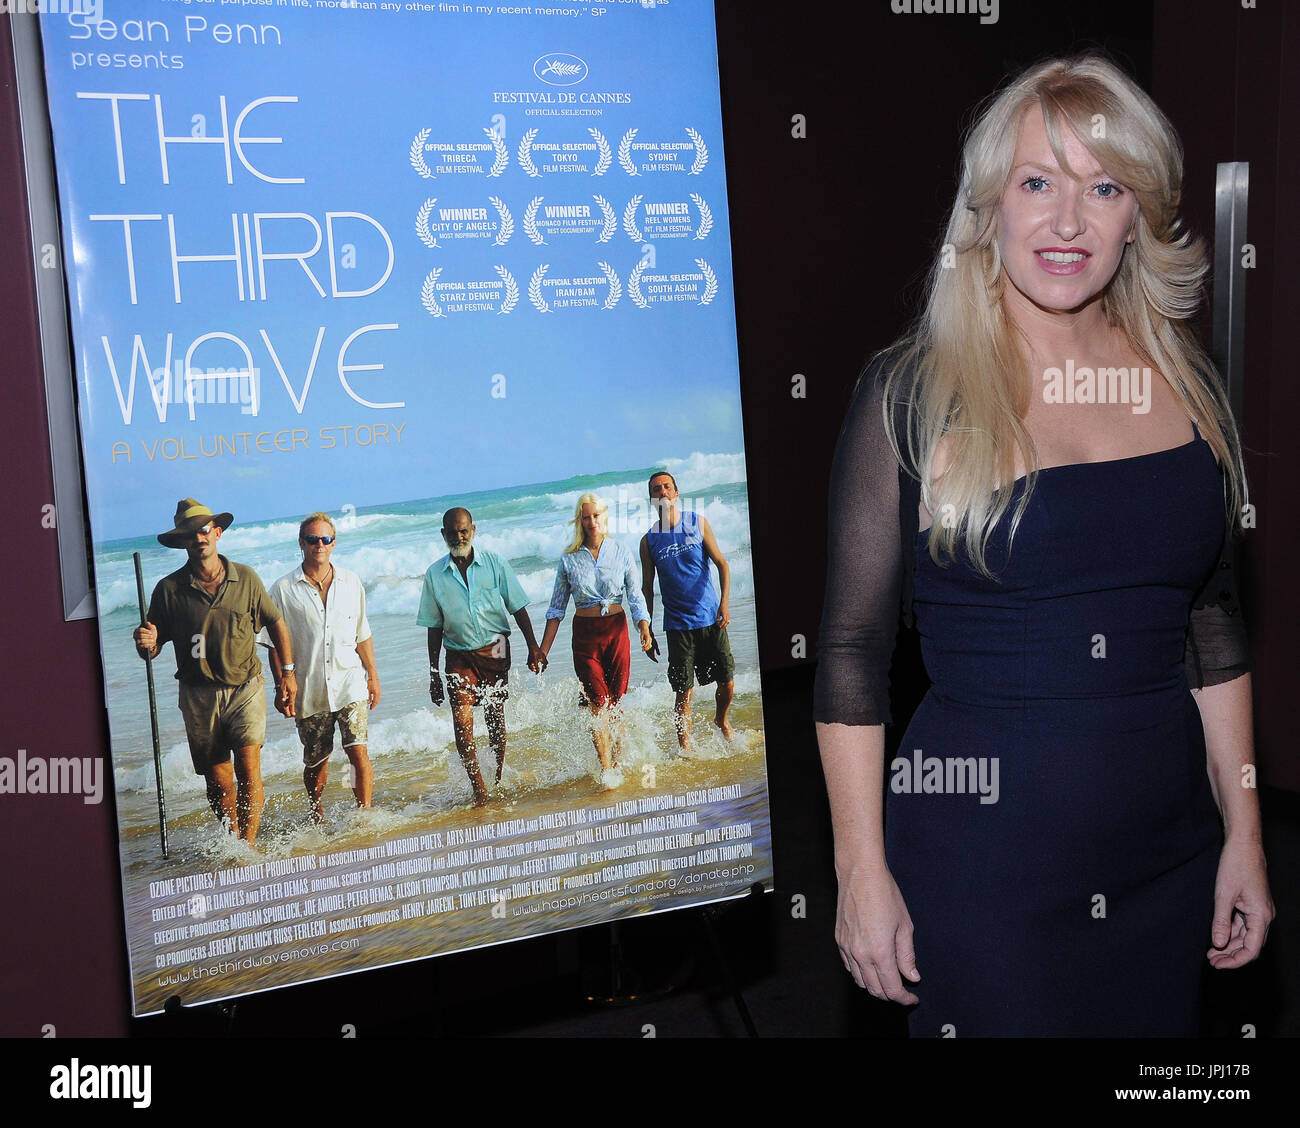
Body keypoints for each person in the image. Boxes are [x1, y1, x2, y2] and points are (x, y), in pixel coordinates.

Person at [814, 55, 1272, 1037]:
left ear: (1137, 215)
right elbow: (850, 661)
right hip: (987, 873)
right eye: (1037, 184)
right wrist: (859, 874)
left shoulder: (1185, 381)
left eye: (1103, 188)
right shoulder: (911, 394)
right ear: (987, 209)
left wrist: (1244, 834)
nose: (1068, 223)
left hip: (1168, 856)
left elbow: (1213, 625)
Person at [132, 498, 295, 846]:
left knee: (248, 769)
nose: (198, 538)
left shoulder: (246, 578)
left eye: (204, 530)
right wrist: (145, 642)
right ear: (183, 542)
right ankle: (232, 840)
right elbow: (154, 645)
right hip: (198, 695)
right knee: (219, 784)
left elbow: (276, 622)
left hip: (245, 688)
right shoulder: (168, 590)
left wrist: (288, 674)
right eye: (190, 534)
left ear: (217, 533)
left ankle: (247, 849)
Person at [417, 507, 546, 805]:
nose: (458, 536)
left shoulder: (494, 563)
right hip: (458, 655)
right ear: (443, 534)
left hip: (496, 648)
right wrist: (433, 673)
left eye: (463, 531)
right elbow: (434, 627)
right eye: (452, 532)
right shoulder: (435, 574)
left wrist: (533, 646)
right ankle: (480, 791)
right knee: (462, 723)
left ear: (473, 530)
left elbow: (517, 606)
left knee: (494, 718)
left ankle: (497, 778)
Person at [266, 513, 379, 822]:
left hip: (349, 681)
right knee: (317, 761)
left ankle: (364, 814)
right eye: (313, 539)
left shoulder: (351, 581)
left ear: (334, 543)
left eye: (326, 539)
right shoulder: (282, 589)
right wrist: (281, 686)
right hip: (309, 688)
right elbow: (273, 645)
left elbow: (362, 632)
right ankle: (316, 815)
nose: (320, 544)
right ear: (302, 543)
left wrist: (373, 676)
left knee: (358, 750)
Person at [540, 493, 653, 780]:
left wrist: (644, 626)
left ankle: (618, 764)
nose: (592, 521)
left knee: (615, 702)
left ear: (605, 517)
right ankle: (606, 770)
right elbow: (556, 608)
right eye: (586, 517)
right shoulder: (568, 560)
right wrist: (543, 650)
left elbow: (635, 594)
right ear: (580, 521)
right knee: (597, 703)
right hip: (585, 636)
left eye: (596, 515)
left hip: (616, 631)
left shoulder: (621, 551)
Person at [639, 472, 736, 752]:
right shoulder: (649, 541)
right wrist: (648, 628)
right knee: (683, 692)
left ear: (677, 493)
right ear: (651, 499)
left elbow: (722, 564)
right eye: (656, 489)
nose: (662, 492)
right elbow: (647, 587)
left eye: (667, 487)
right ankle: (687, 748)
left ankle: (722, 720)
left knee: (727, 682)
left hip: (711, 618)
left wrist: (724, 603)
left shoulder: (697, 523)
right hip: (677, 627)